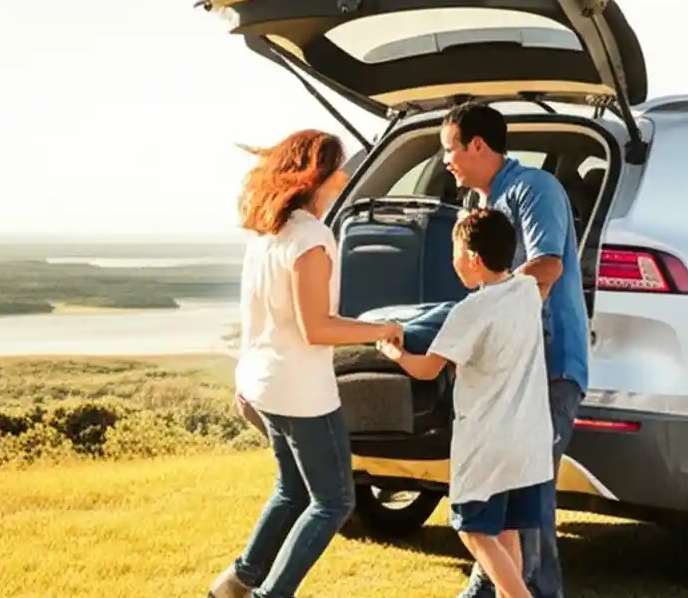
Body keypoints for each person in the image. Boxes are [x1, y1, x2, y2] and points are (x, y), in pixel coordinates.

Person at [209, 129, 404, 598]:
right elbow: (316, 328)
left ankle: (235, 583)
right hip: (301, 393)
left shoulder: (267, 234)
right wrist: (382, 329)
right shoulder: (310, 238)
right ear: (317, 175)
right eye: (339, 167)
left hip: (263, 383)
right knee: (334, 501)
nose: (346, 174)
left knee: (292, 490)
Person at [441, 103, 590, 598]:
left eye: (449, 149)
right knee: (502, 493)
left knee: (529, 499)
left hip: (549, 364)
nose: (446, 161)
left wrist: (488, 309)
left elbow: (547, 267)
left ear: (477, 145)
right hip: (510, 371)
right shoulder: (479, 205)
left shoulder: (533, 189)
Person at [376, 208, 554, 598]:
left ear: (472, 257)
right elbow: (545, 278)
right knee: (505, 530)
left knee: (472, 529)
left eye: (455, 251)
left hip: (488, 441)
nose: (453, 260)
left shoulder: (470, 310)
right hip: (529, 440)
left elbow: (427, 370)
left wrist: (394, 354)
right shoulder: (526, 291)